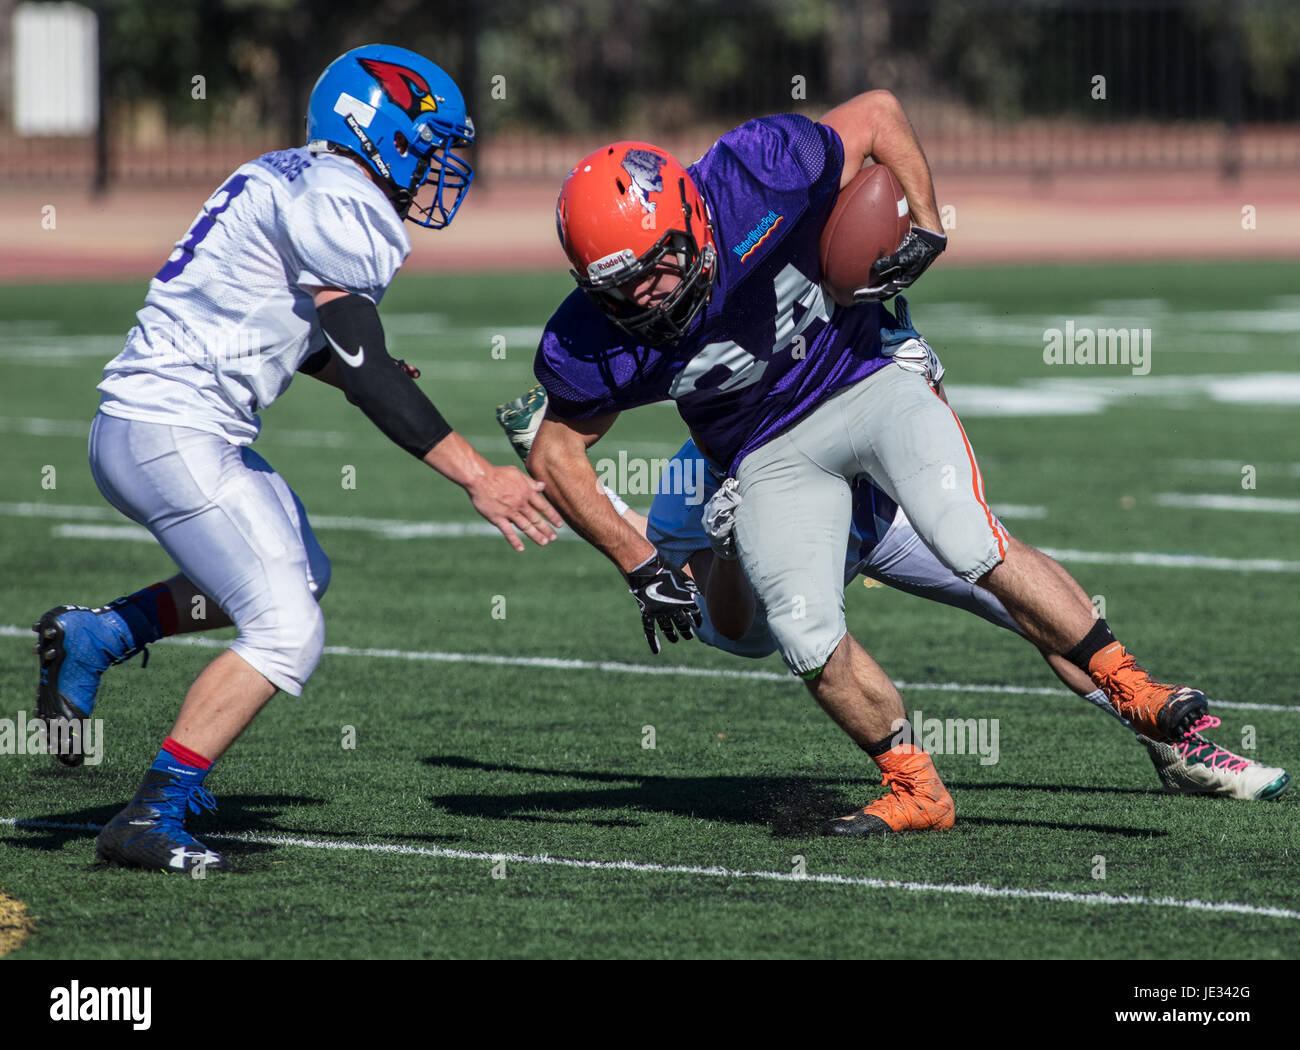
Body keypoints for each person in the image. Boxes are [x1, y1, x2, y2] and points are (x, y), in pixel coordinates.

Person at [523, 91, 1238, 836]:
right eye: (617, 288)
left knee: (962, 533)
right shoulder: (592, 338)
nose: (645, 297)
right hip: (766, 453)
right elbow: (556, 450)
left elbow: (876, 114)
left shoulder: (758, 173)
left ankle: (1132, 686)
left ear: (693, 219)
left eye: (655, 267)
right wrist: (638, 562)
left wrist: (928, 222)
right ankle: (916, 789)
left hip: (862, 380)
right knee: (802, 630)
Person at [31, 44, 562, 873]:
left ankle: (100, 635)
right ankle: (148, 814)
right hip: (171, 431)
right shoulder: (343, 200)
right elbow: (360, 364)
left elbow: (274, 325)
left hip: (151, 424)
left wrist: (361, 365)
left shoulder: (290, 172)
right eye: (426, 148)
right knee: (287, 630)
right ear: (377, 133)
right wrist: (479, 476)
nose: (434, 172)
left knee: (300, 577)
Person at [497, 311, 1289, 806]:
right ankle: (910, 779)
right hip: (746, 542)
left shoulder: (842, 356)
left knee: (1011, 584)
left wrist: (912, 367)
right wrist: (728, 543)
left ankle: (1169, 742)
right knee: (792, 630)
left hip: (868, 521)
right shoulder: (701, 470)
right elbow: (743, 629)